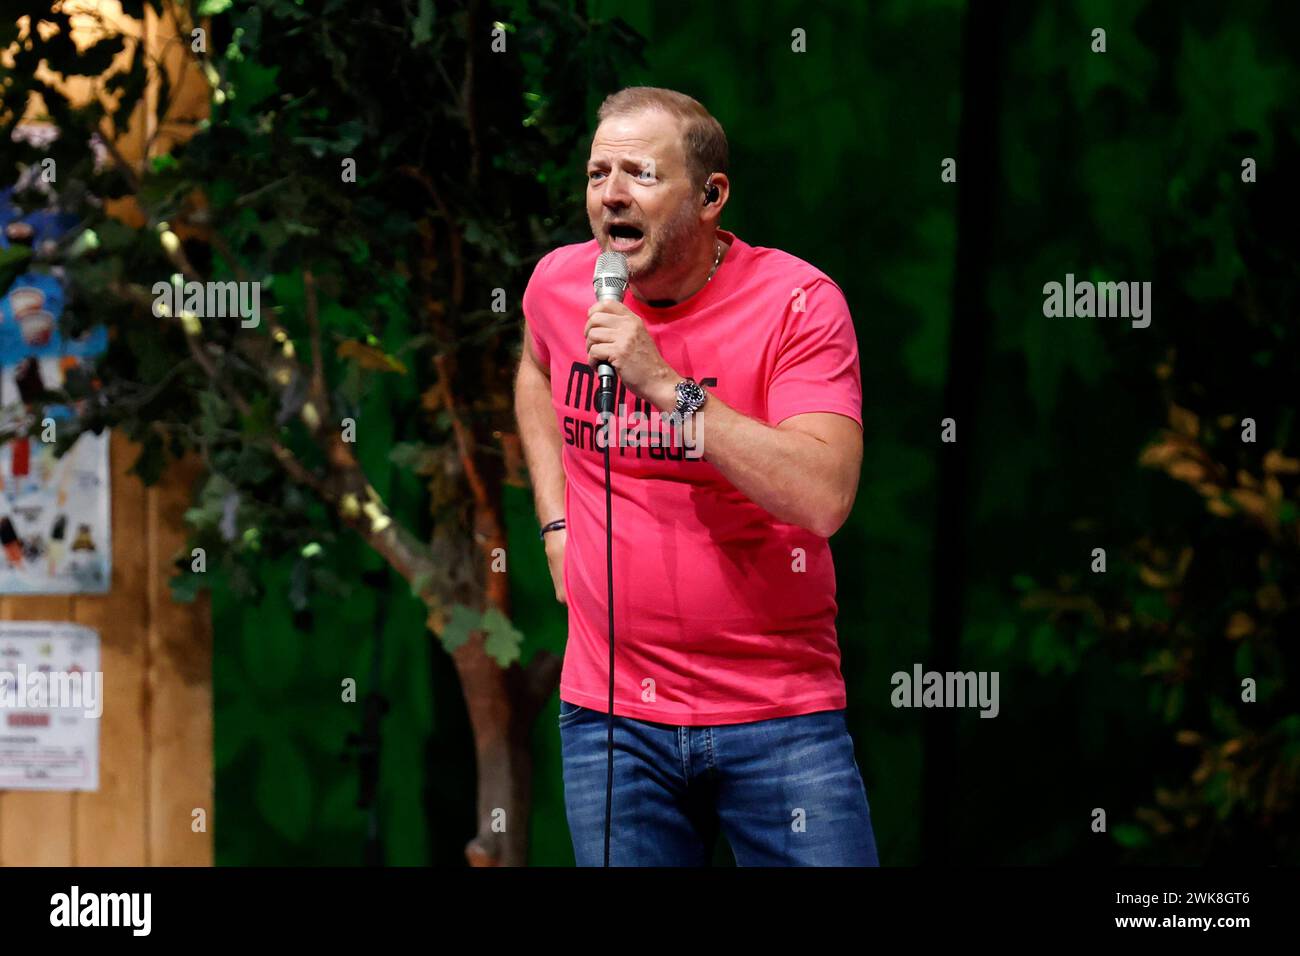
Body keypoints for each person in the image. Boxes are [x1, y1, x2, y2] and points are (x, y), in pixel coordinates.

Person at [514, 86, 877, 866]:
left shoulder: (798, 304)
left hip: (778, 714)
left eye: (640, 174)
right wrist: (554, 526)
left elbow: (823, 496)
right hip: (612, 720)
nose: (610, 194)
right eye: (596, 173)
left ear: (711, 195)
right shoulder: (560, 285)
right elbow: (536, 370)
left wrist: (663, 384)